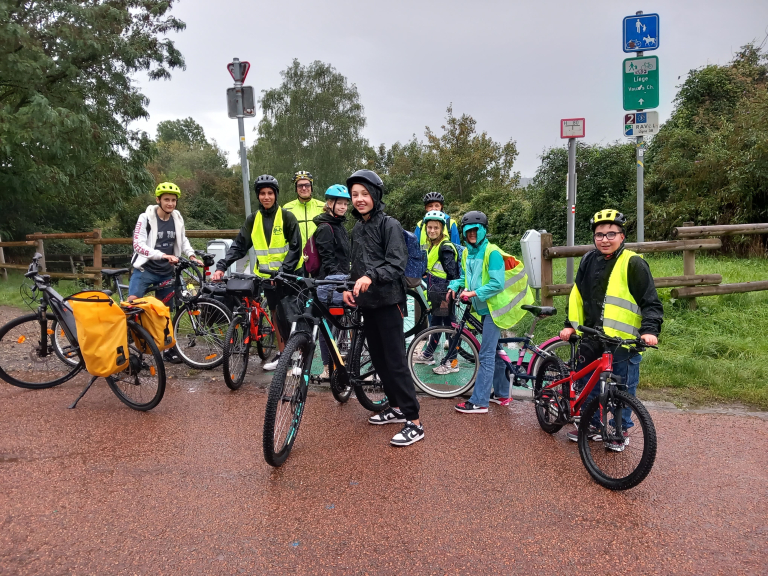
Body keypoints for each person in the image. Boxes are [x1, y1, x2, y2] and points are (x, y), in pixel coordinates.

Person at [559, 209, 662, 449]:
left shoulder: (633, 263)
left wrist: (650, 331)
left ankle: (619, 430)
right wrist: (570, 325)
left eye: (611, 234)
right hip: (591, 334)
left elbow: (651, 302)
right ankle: (593, 424)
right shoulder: (588, 260)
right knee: (589, 382)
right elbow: (578, 295)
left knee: (621, 387)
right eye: (599, 235)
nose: (604, 239)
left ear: (622, 236)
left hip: (621, 340)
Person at [342, 169, 424, 447]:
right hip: (368, 304)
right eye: (355, 195)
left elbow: (396, 263)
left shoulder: (389, 224)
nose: (359, 199)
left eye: (365, 194)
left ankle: (414, 420)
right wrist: (349, 288)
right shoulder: (358, 228)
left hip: (390, 302)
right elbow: (356, 267)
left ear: (375, 195)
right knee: (378, 360)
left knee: (396, 361)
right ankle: (397, 407)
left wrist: (371, 276)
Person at [211, 174, 303, 371]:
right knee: (276, 315)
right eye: (262, 193)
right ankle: (282, 354)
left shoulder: (287, 217)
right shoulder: (253, 219)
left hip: (289, 276)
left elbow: (296, 247)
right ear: (258, 196)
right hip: (268, 278)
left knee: (292, 316)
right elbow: (239, 246)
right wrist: (221, 266)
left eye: (270, 193)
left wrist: (283, 271)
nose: (266, 197)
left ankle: (296, 357)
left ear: (276, 195)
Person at [448, 211, 534, 413]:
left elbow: (496, 284)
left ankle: (479, 402)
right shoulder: (468, 253)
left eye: (475, 231)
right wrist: (455, 286)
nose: (472, 235)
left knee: (486, 354)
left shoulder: (492, 253)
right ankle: (503, 394)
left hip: (495, 308)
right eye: (468, 231)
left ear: (483, 231)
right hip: (484, 307)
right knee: (494, 351)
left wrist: (473, 293)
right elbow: (465, 277)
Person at [129, 181, 202, 363]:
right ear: (158, 200)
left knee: (165, 313)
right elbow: (138, 244)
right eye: (166, 200)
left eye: (173, 200)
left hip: (167, 271)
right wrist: (162, 255)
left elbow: (182, 240)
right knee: (132, 307)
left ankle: (167, 350)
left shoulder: (177, 217)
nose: (170, 203)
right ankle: (127, 345)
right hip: (145, 269)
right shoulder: (145, 218)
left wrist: (192, 256)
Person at [411, 210, 461, 374]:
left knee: (448, 327)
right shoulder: (434, 245)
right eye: (429, 228)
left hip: (444, 293)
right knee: (437, 324)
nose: (432, 231)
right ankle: (428, 354)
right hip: (437, 291)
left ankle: (452, 363)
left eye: (436, 228)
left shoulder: (445, 247)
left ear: (442, 229)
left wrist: (449, 293)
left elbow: (452, 274)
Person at [312, 184, 352, 379]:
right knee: (327, 326)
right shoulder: (325, 228)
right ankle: (327, 368)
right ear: (329, 203)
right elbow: (328, 260)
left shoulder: (340, 226)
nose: (344, 207)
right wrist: (340, 281)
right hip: (328, 283)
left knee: (341, 324)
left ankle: (341, 362)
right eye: (340, 203)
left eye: (346, 204)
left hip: (342, 280)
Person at [283, 170, 326, 256]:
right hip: (296, 260)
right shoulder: (286, 208)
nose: (303, 188)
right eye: (300, 186)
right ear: (296, 188)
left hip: (318, 258)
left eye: (307, 185)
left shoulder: (323, 207)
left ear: (311, 186)